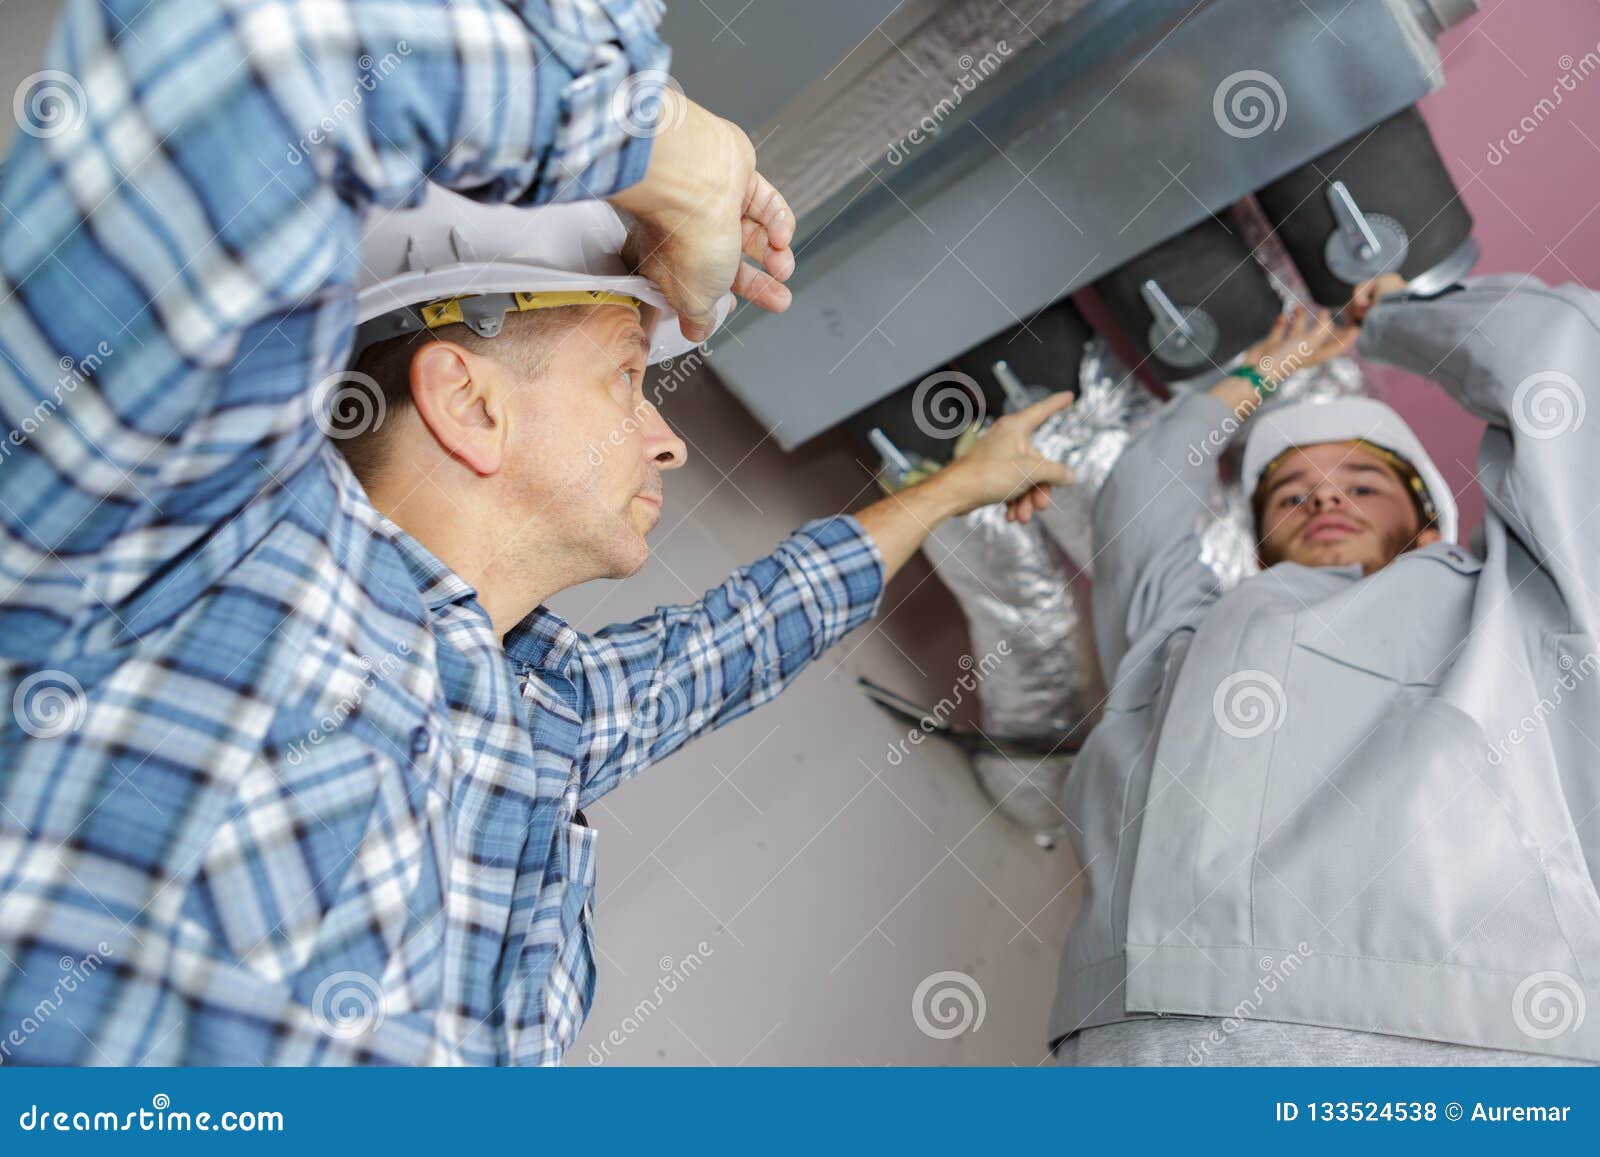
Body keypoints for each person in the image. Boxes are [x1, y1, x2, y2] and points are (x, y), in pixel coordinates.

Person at [0, 0, 1072, 1065]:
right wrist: (663, 141)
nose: (672, 443)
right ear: (469, 404)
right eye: (624, 377)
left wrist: (961, 482)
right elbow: (256, 51)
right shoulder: (202, 542)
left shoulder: (539, 720)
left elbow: (746, 635)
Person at [1050, 272, 1600, 1064]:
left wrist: (1389, 321)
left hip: (1463, 1022)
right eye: (1290, 496)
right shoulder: (1190, 639)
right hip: (1140, 1034)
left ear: (1426, 522)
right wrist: (1258, 376)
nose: (1323, 500)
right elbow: (1135, 506)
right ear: (1262, 543)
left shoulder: (1511, 609)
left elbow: (1562, 360)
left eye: (1363, 482)